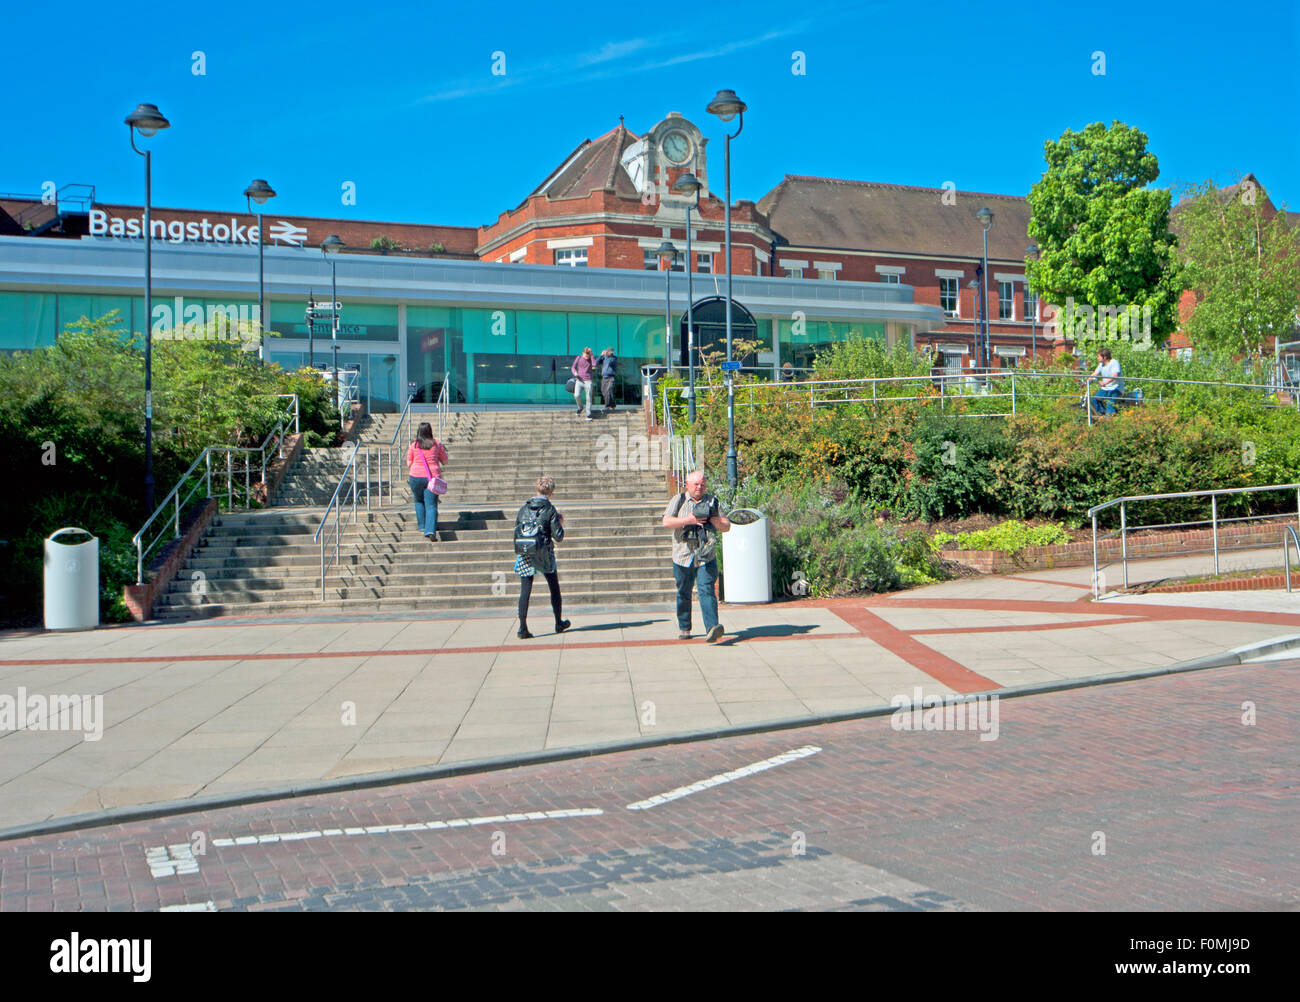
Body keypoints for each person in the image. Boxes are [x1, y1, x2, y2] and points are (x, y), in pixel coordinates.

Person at [662, 470, 731, 642]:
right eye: (696, 484)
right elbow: (666, 522)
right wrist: (689, 520)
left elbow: (726, 525)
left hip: (705, 555)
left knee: (706, 589)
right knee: (683, 592)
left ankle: (712, 628)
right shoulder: (678, 500)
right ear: (687, 485)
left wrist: (715, 521)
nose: (700, 487)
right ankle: (684, 627)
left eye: (702, 484)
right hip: (682, 555)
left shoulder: (712, 501)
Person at [513, 476, 570, 639]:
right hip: (544, 552)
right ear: (551, 492)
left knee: (525, 590)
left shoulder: (524, 508)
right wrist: (560, 521)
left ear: (537, 489)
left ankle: (522, 627)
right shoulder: (550, 509)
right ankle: (558, 622)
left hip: (526, 552)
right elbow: (558, 536)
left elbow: (517, 529)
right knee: (554, 587)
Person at [406, 421, 448, 542]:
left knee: (418, 500)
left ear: (419, 431)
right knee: (431, 504)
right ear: (430, 431)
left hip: (415, 476)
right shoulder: (437, 444)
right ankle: (430, 530)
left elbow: (409, 463)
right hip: (433, 478)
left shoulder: (413, 445)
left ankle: (422, 526)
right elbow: (445, 461)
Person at [1088, 347, 1124, 416]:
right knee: (1095, 399)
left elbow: (1114, 375)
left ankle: (1109, 420)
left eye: (1098, 356)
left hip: (1116, 388)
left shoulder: (1114, 363)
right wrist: (1087, 381)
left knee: (1110, 404)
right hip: (1106, 388)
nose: (1097, 358)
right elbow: (1095, 374)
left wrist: (1105, 382)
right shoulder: (1101, 365)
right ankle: (1102, 415)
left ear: (1104, 357)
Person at [571, 346, 595, 421]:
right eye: (585, 355)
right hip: (579, 380)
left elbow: (594, 364)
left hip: (588, 381)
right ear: (583, 353)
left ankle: (588, 413)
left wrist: (592, 355)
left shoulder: (591, 359)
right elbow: (573, 367)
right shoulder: (578, 357)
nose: (586, 357)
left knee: (588, 397)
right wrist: (575, 373)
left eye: (588, 355)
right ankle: (580, 407)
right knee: (576, 395)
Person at [597, 346, 618, 412]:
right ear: (608, 352)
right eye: (610, 352)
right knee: (604, 391)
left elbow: (609, 362)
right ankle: (612, 405)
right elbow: (596, 363)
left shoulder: (614, 358)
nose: (611, 354)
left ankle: (607, 405)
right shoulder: (604, 357)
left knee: (608, 390)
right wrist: (601, 355)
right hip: (604, 377)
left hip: (611, 377)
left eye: (612, 352)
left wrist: (605, 356)